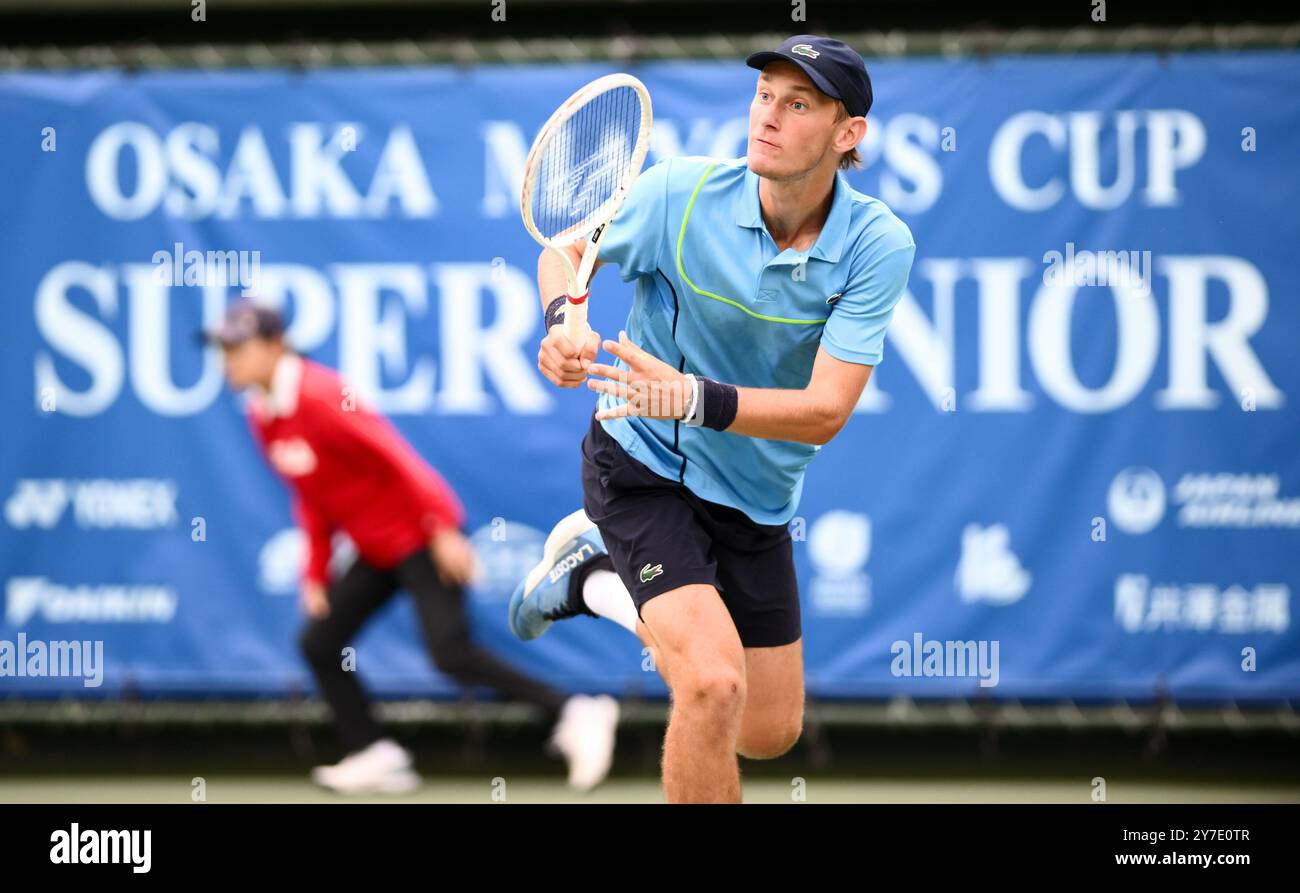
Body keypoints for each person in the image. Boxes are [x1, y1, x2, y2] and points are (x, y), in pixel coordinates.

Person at [509, 35, 916, 803]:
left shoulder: (877, 245)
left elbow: (825, 411)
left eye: (797, 104)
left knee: (767, 730)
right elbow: (566, 250)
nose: (767, 116)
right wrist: (564, 318)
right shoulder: (680, 195)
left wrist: (693, 395)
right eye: (764, 95)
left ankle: (592, 576)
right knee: (709, 684)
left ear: (847, 133)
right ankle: (611, 554)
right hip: (641, 466)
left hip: (756, 496)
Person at [208, 299, 618, 794]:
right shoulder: (262, 412)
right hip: (374, 548)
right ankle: (374, 753)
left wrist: (441, 528)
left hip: (420, 536)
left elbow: (394, 454)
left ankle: (577, 712)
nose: (227, 358)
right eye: (223, 348)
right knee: (318, 642)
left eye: (237, 347)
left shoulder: (318, 394)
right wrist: (315, 574)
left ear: (274, 346)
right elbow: (312, 496)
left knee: (450, 653)